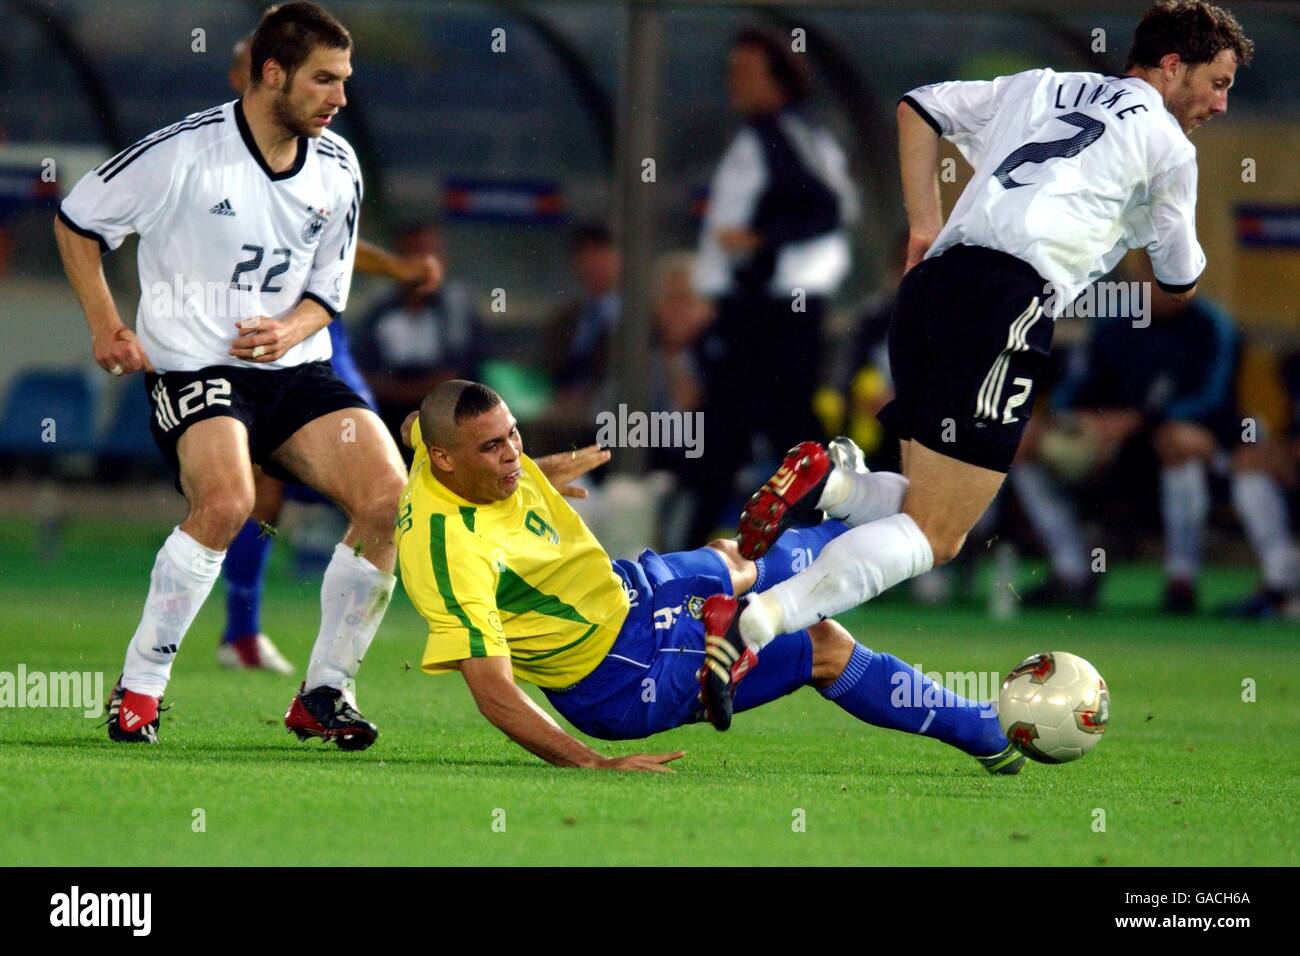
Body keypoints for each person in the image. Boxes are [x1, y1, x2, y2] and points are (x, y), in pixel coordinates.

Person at [701, 1, 1254, 727]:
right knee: (938, 536)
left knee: (929, 507)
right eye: (1216, 82)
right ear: (1172, 65)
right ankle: (752, 625)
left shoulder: (1043, 84)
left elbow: (918, 108)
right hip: (1010, 298)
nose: (1220, 102)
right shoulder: (1169, 148)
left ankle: (833, 484)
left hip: (933, 286)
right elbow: (1180, 280)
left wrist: (925, 225)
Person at [55, 1, 408, 747]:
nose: (341, 98)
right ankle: (140, 689)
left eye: (344, 80)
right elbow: (79, 221)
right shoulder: (183, 153)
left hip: (296, 369)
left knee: (388, 499)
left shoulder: (340, 166)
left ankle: (324, 693)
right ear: (271, 74)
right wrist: (106, 325)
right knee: (229, 502)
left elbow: (328, 294)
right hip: (194, 368)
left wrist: (289, 328)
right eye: (324, 79)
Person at [394, 380, 1023, 773]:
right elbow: (492, 690)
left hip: (629, 587)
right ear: (444, 460)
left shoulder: (437, 440)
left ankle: (846, 508)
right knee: (824, 646)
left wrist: (537, 470)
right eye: (493, 449)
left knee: (742, 555)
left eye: (514, 436)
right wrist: (592, 762)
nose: (511, 455)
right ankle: (848, 502)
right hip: (619, 670)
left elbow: (416, 423)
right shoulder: (448, 555)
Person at [218, 31, 443, 674]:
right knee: (261, 489)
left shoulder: (324, 154)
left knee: (386, 472)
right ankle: (242, 630)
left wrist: (398, 268)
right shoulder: (218, 159)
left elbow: (335, 249)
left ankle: (438, 600)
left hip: (323, 342)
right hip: (259, 343)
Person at [1015, 279, 1300, 617]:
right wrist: (1087, 422)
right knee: (1024, 445)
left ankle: (1183, 581)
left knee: (1179, 444)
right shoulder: (1114, 326)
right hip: (1116, 454)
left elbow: (1213, 400)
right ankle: (1071, 571)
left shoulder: (1212, 326)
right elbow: (1071, 393)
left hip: (1197, 450)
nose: (1163, 284)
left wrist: (1141, 420)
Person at [684, 26, 858, 543]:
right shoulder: (763, 135)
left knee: (762, 431)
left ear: (779, 80)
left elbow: (831, 205)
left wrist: (762, 239)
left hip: (778, 312)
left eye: (746, 71)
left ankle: (826, 535)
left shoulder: (784, 133)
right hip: (751, 310)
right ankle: (816, 536)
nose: (733, 82)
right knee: (744, 431)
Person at [353, 222, 479, 440]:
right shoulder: (379, 309)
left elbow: (466, 368)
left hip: (449, 413)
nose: (425, 263)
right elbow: (362, 368)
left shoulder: (458, 307)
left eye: (431, 253)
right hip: (386, 412)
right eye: (414, 253)